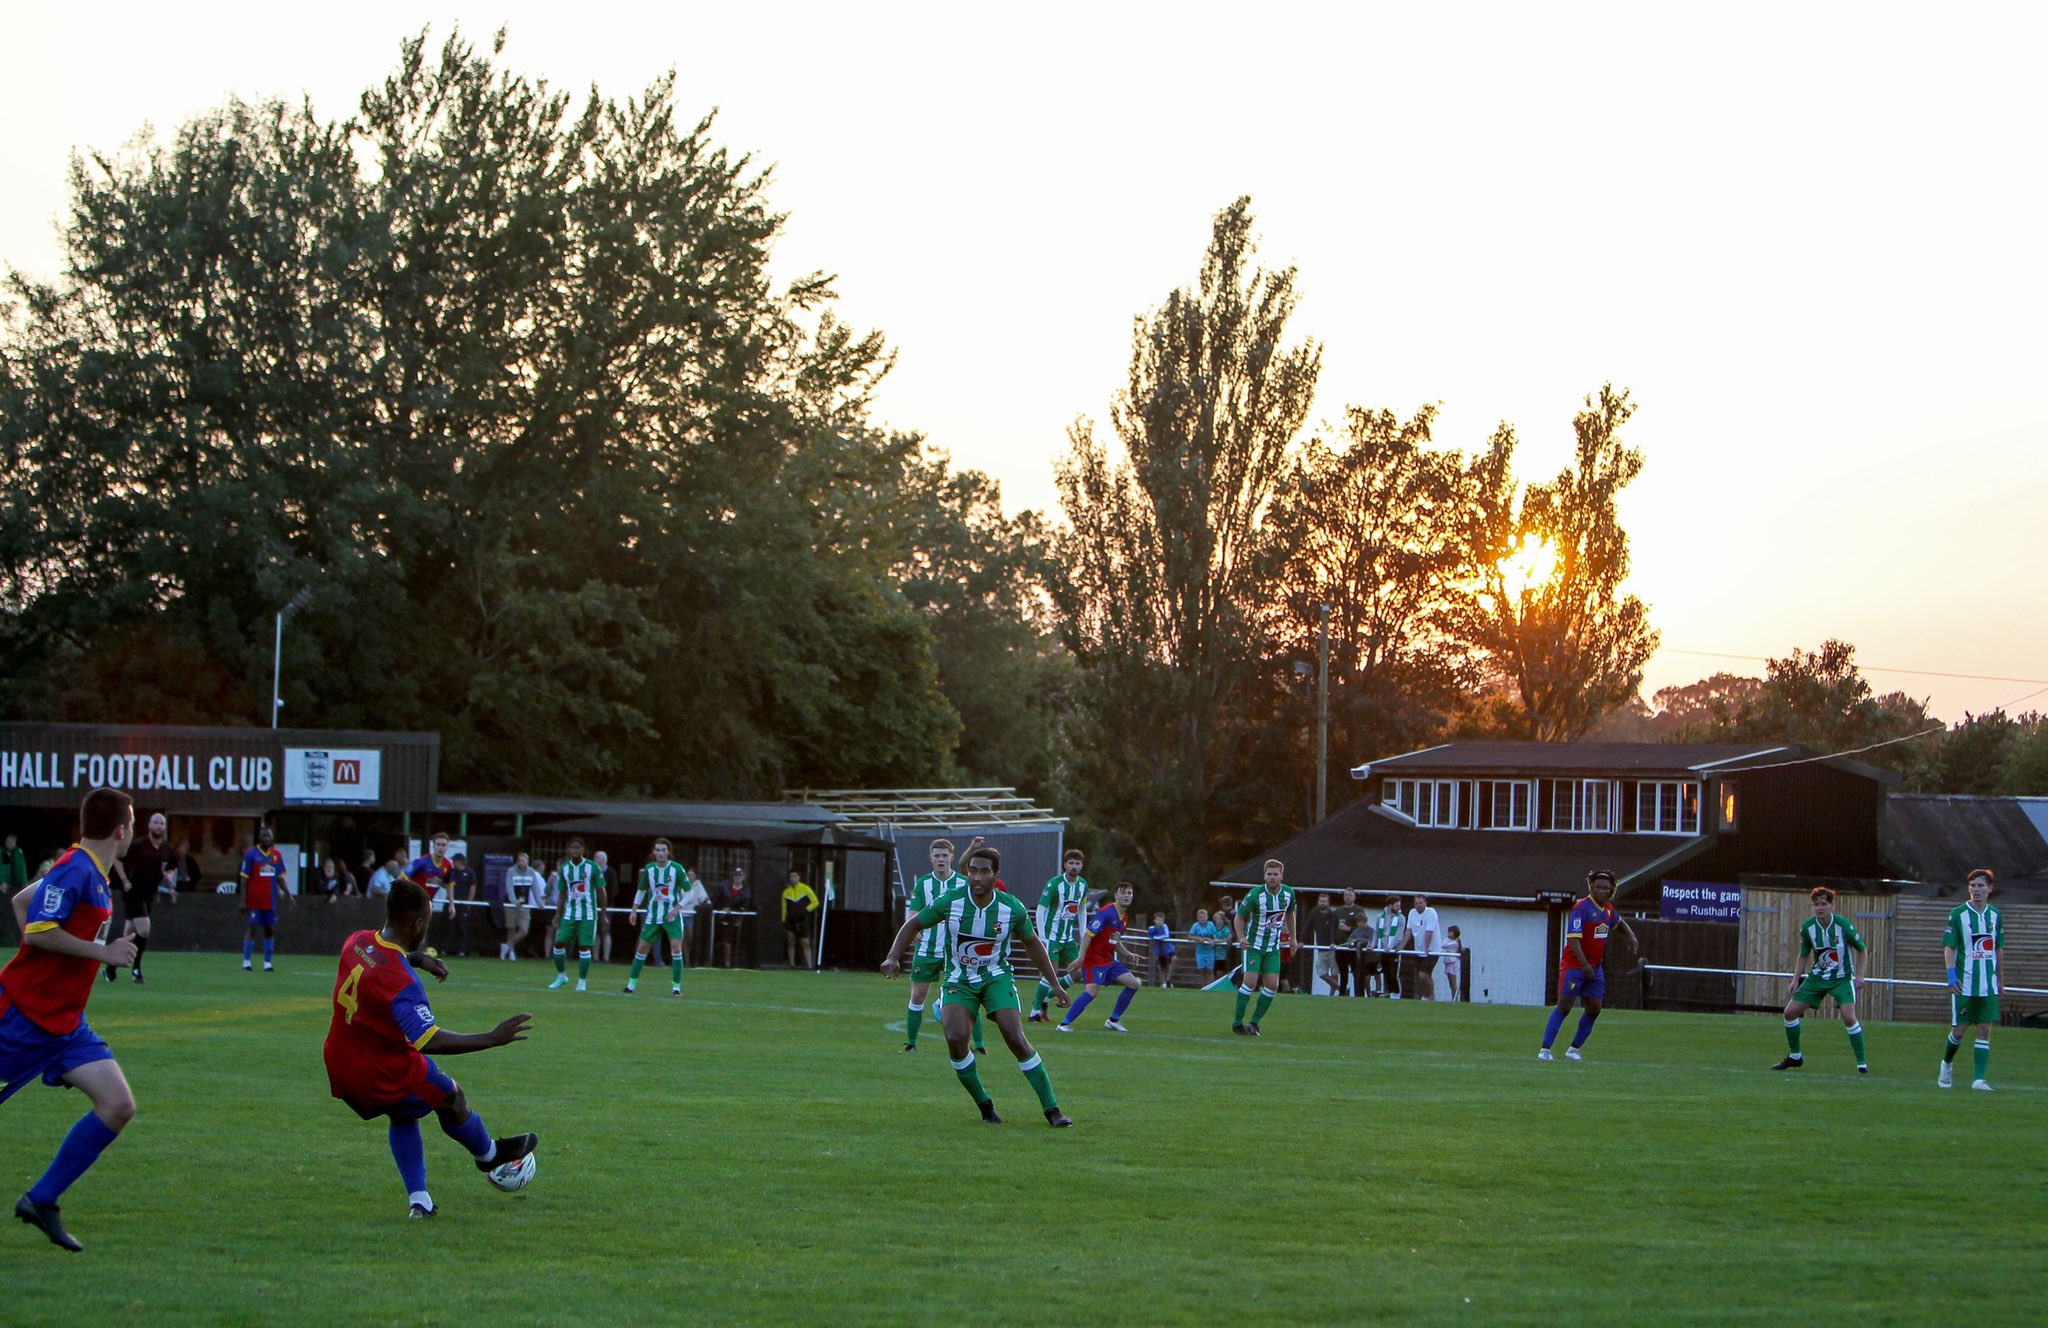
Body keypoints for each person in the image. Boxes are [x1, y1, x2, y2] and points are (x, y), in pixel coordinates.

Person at [322, 878, 537, 1219]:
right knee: (451, 1095)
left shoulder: (357, 941)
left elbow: (383, 958)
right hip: (381, 1069)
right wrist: (492, 1037)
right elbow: (428, 1039)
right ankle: (490, 1156)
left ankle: (419, 1201)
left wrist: (417, 959)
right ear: (419, 923)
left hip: (340, 1060)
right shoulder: (401, 982)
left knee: (403, 1111)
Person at [3, 787, 141, 1252]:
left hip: (64, 1026)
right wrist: (103, 953)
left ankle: (41, 1200)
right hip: (20, 1019)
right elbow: (40, 932)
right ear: (120, 830)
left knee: (118, 1105)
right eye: (134, 823)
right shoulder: (77, 867)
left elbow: (24, 904)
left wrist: (58, 974)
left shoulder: (92, 872)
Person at [880, 845, 1071, 1127]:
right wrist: (893, 956)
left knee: (1015, 1037)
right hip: (959, 980)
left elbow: (1033, 945)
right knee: (956, 1039)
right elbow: (914, 923)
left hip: (996, 977)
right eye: (972, 871)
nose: (977, 877)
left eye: (984, 871)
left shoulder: (1011, 908)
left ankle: (1053, 1110)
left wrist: (1055, 985)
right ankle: (985, 1105)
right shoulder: (951, 901)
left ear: (996, 875)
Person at [1539, 871, 1638, 1061]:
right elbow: (1573, 940)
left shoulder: (1607, 909)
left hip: (1595, 967)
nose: (1601, 890)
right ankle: (1545, 1050)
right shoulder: (1581, 907)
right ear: (1591, 887)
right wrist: (1584, 965)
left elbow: (1618, 922)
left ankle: (1573, 1050)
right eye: (1598, 886)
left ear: (1611, 890)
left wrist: (1631, 936)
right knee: (1564, 1007)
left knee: (1594, 1009)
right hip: (1575, 966)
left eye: (1605, 887)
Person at [902, 839, 986, 1054]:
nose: (941, 859)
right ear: (931, 858)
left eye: (944, 855)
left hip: (957, 951)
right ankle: (911, 1044)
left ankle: (980, 1046)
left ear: (951, 857)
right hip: (927, 948)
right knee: (917, 996)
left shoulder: (961, 882)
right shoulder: (923, 884)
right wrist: (914, 929)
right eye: (937, 855)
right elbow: (914, 911)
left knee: (969, 995)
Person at [1772, 887, 1868, 1074]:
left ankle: (1862, 1063)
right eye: (1816, 904)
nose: (1819, 908)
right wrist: (1795, 979)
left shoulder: (1843, 925)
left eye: (1824, 904)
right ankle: (1795, 1057)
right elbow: (1804, 954)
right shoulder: (1808, 927)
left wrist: (1861, 976)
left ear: (1833, 905)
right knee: (1790, 1013)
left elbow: (1862, 950)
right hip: (1817, 978)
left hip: (1841, 978)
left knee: (1849, 1017)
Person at [1940, 868, 2003, 1091]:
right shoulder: (1958, 915)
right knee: (1959, 1031)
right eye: (1973, 886)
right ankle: (1946, 1064)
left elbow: (1997, 949)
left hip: (1987, 984)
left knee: (1984, 1029)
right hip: (1964, 984)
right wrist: (1950, 976)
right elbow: (1949, 947)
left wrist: (2000, 980)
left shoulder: (1995, 915)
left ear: (1990, 888)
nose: (1976, 890)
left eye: (1980, 885)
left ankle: (1978, 1079)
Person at [1060, 883, 1146, 1031]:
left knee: (1134, 984)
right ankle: (1064, 1024)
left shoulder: (1124, 918)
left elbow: (1114, 941)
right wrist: (1081, 958)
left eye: (1130, 893)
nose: (1127, 896)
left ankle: (1113, 1020)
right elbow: (1087, 935)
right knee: (1091, 992)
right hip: (1094, 960)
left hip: (1108, 960)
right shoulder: (1106, 912)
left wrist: (1128, 954)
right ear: (1116, 895)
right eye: (1123, 892)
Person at [106, 810, 175, 984]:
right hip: (133, 891)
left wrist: (168, 876)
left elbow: (170, 867)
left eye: (162, 823)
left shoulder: (167, 848)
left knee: (129, 934)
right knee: (144, 929)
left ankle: (110, 969)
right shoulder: (138, 844)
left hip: (149, 893)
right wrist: (124, 880)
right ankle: (136, 969)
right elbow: (117, 858)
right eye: (156, 822)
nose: (159, 826)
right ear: (149, 825)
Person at [1232, 861, 1296, 1036]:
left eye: (1275, 874)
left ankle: (1254, 1023)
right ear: (1264, 876)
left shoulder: (1289, 894)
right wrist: (1241, 937)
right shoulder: (1255, 895)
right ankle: (1237, 1023)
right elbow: (1239, 918)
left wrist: (1293, 939)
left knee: (1272, 986)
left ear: (1281, 876)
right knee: (1250, 983)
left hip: (1272, 948)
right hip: (1254, 946)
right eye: (1269, 874)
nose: (1272, 877)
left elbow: (1290, 914)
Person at [1029, 850, 1090, 1021]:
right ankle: (1034, 1012)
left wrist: (1084, 934)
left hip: (1068, 937)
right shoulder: (1055, 884)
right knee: (1051, 973)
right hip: (1052, 936)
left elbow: (1082, 909)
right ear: (1065, 865)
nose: (1074, 866)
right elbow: (1041, 909)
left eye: (1077, 863)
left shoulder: (1083, 885)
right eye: (1071, 863)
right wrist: (1042, 936)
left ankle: (1046, 998)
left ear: (1081, 866)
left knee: (1078, 972)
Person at [626, 839, 688, 995]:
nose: (660, 853)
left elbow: (690, 892)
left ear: (668, 852)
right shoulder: (649, 870)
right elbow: (641, 890)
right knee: (641, 949)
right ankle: (631, 985)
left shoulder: (677, 869)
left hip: (671, 917)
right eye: (658, 850)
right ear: (653, 852)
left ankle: (676, 987)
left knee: (676, 948)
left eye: (663, 850)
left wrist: (676, 908)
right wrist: (634, 909)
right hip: (653, 916)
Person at [548, 838, 603, 992]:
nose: (575, 851)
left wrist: (603, 913)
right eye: (572, 848)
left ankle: (582, 981)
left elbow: (601, 890)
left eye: (577, 848)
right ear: (568, 850)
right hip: (569, 914)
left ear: (583, 850)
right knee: (558, 943)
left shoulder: (592, 867)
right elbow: (562, 893)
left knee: (584, 947)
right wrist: (558, 913)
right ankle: (562, 976)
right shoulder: (564, 868)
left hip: (588, 914)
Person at [239, 824, 290, 973]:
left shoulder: (276, 855)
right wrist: (243, 900)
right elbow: (244, 879)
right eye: (264, 835)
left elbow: (280, 878)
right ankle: (246, 962)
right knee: (252, 928)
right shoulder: (250, 854)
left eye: (269, 835)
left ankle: (267, 963)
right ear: (259, 838)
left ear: (272, 838)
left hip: (270, 901)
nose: (266, 838)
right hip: (254, 900)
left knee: (270, 930)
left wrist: (288, 894)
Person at [500, 852, 543, 961]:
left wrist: (539, 902)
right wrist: (514, 900)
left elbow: (535, 889)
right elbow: (509, 887)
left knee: (524, 930)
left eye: (524, 860)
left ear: (527, 862)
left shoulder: (531, 872)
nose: (521, 862)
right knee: (511, 928)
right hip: (511, 905)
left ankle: (507, 946)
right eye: (520, 860)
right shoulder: (511, 871)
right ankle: (511, 952)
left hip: (525, 905)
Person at [1400, 895, 1441, 1001]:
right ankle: (1432, 998)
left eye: (1420, 903)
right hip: (1418, 950)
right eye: (1416, 903)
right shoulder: (1412, 913)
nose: (1418, 905)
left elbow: (1429, 932)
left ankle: (1426, 996)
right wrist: (1401, 946)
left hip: (1432, 950)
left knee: (1423, 975)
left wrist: (1426, 948)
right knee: (1425, 976)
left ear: (1425, 903)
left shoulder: (1431, 912)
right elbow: (1408, 931)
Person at [713, 866, 752, 970]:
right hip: (725, 918)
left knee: (738, 940)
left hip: (738, 919)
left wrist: (737, 910)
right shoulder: (723, 886)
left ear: (744, 877)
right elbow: (716, 900)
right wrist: (723, 909)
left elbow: (745, 904)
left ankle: (738, 962)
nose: (737, 878)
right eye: (735, 875)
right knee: (726, 939)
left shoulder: (746, 890)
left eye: (740, 876)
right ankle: (727, 962)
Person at [781, 869, 820, 969]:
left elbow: (815, 902)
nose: (793, 878)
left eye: (795, 876)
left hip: (802, 919)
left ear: (799, 877)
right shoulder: (786, 892)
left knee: (805, 942)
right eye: (791, 876)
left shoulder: (806, 889)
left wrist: (805, 910)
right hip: (790, 920)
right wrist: (784, 920)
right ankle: (792, 965)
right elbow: (784, 907)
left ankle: (809, 966)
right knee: (791, 941)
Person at [1332, 890, 1366, 997]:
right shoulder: (1337, 911)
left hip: (1354, 948)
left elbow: (1363, 928)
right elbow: (1333, 928)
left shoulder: (1359, 910)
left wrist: (1349, 928)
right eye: (1346, 895)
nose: (1348, 897)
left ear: (1354, 897)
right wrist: (1332, 942)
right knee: (1343, 971)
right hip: (1340, 946)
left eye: (1350, 895)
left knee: (1356, 971)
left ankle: (1358, 993)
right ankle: (1342, 993)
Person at [1304, 894, 1338, 995]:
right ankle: (1340, 988)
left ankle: (1332, 994)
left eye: (1325, 901)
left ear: (1328, 903)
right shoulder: (1314, 913)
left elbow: (1333, 929)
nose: (1322, 903)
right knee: (1321, 972)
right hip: (1321, 948)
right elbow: (1308, 926)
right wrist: (1302, 940)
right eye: (1321, 901)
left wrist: (1333, 942)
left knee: (1334, 971)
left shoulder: (1332, 914)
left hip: (1332, 948)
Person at [1373, 895, 1406, 998]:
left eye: (1399, 905)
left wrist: (1390, 946)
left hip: (1393, 950)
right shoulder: (1380, 917)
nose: (1398, 908)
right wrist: (1373, 944)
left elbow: (1398, 935)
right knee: (1386, 971)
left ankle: (1396, 994)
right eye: (1396, 906)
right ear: (1390, 905)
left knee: (1393, 973)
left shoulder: (1401, 918)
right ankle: (1388, 992)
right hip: (1382, 949)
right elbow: (1377, 932)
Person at [445, 854, 477, 957]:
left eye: (455, 860)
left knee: (462, 927)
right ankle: (445, 949)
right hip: (451, 902)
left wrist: (469, 902)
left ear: (460, 861)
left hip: (463, 903)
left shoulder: (469, 872)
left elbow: (473, 886)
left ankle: (461, 950)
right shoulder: (451, 872)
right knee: (449, 926)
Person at [593, 851, 616, 964]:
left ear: (603, 860)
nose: (594, 859)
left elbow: (614, 890)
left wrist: (604, 901)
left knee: (605, 931)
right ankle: (595, 957)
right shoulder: (592, 871)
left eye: (596, 857)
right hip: (593, 906)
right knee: (595, 932)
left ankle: (606, 957)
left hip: (607, 907)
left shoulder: (611, 872)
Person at [1188, 908, 1221, 986]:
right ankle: (1203, 987)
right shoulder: (1195, 926)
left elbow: (1215, 935)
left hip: (1209, 951)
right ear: (1197, 918)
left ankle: (1210, 987)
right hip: (1200, 952)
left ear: (1207, 917)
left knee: (1210, 970)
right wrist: (1197, 938)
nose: (1202, 919)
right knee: (1202, 970)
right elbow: (1189, 936)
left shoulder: (1211, 924)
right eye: (1200, 917)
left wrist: (1210, 939)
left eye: (1204, 917)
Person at [1147, 913, 1178, 987]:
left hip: (1168, 948)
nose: (1160, 921)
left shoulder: (1165, 926)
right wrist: (1156, 930)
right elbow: (1151, 935)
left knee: (1174, 959)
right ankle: (1163, 983)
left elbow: (1166, 935)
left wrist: (1158, 937)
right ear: (1154, 920)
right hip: (1160, 950)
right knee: (1162, 967)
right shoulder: (1151, 928)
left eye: (1161, 920)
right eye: (1158, 920)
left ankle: (1168, 979)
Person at [1439, 925, 1465, 1003]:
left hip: (1451, 963)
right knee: (1450, 983)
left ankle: (1455, 998)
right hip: (1448, 963)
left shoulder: (1454, 943)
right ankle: (1453, 998)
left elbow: (1443, 945)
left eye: (1450, 932)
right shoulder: (1451, 941)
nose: (1448, 933)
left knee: (1453, 983)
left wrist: (1447, 939)